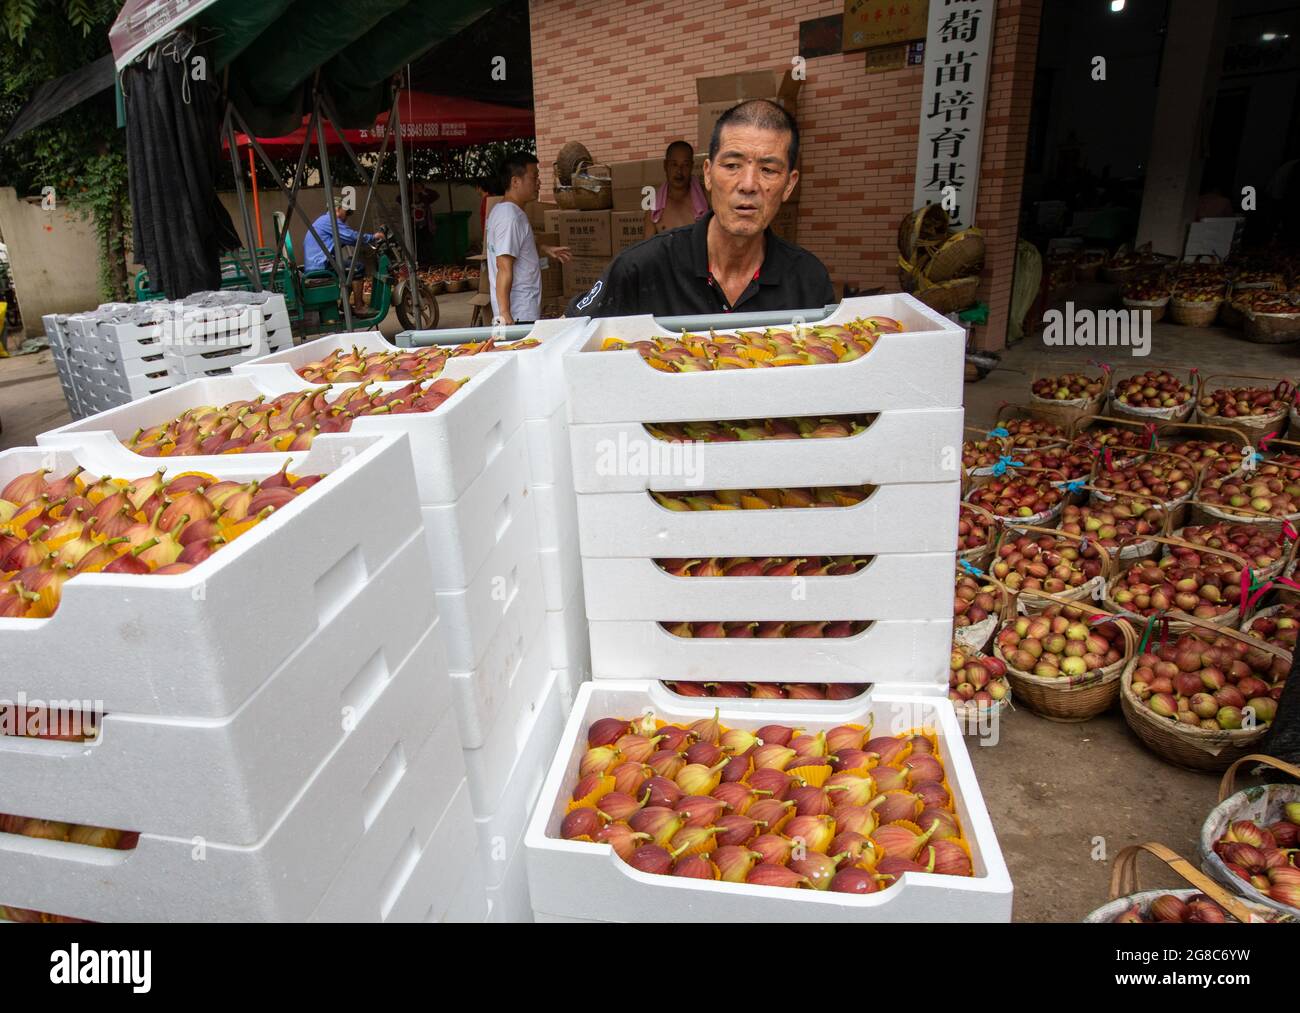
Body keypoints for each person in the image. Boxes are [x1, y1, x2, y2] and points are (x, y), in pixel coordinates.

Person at [566, 99, 832, 317]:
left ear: (789, 185)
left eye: (768, 169)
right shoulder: (640, 269)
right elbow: (570, 333)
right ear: (707, 174)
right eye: (732, 165)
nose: (749, 185)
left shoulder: (808, 282)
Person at [486, 152, 571, 325]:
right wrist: (504, 313)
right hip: (518, 314)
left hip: (521, 310)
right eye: (534, 177)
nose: (539, 183)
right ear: (515, 181)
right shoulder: (510, 217)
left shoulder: (503, 211)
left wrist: (545, 249)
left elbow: (517, 246)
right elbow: (503, 266)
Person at [303, 196, 385, 312]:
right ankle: (359, 307)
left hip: (317, 264)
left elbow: (341, 240)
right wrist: (373, 237)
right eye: (346, 213)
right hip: (321, 266)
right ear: (337, 209)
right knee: (357, 268)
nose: (346, 217)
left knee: (351, 263)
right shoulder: (331, 221)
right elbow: (352, 236)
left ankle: (344, 305)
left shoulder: (323, 221)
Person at [644, 140, 710, 237]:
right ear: (665, 166)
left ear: (692, 166)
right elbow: (648, 250)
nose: (679, 171)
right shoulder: (654, 211)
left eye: (685, 165)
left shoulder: (707, 197)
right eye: (674, 164)